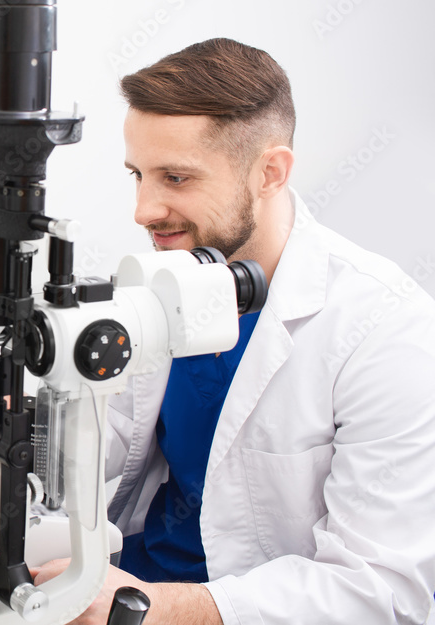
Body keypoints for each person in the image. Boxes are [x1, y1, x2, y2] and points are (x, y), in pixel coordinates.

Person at [34, 38, 435, 624]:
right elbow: (87, 457)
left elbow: (383, 594)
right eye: (137, 176)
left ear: (269, 172)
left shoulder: (385, 333)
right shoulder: (162, 286)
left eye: (175, 177)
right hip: (130, 581)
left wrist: (147, 609)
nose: (143, 210)